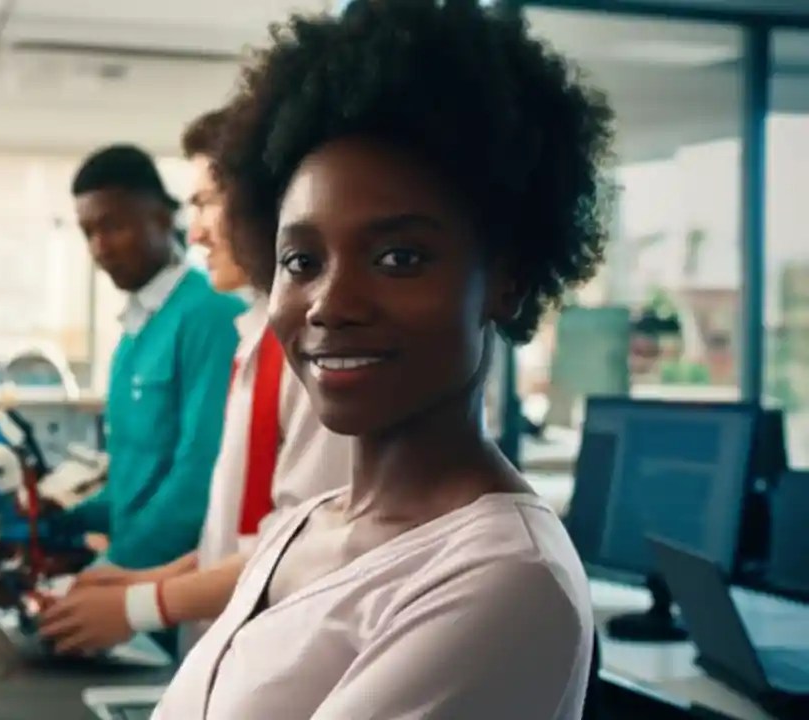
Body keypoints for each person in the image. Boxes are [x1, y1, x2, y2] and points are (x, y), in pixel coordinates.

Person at [154, 1, 614, 718]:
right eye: (301, 260)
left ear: (507, 278)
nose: (330, 305)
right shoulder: (307, 524)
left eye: (399, 257)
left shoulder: (505, 579)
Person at [39, 111, 351, 655]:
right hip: (212, 616)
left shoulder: (261, 338)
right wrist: (131, 578)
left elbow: (293, 548)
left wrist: (138, 590)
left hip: (253, 635)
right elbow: (239, 535)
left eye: (206, 202)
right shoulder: (241, 337)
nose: (198, 228)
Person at [59, 144, 247, 582]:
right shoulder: (133, 331)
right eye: (88, 232)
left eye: (113, 226)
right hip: (137, 580)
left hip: (177, 587)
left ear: (164, 217)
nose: (100, 246)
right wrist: (63, 521)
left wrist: (113, 571)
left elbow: (199, 478)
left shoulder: (211, 315)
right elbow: (134, 480)